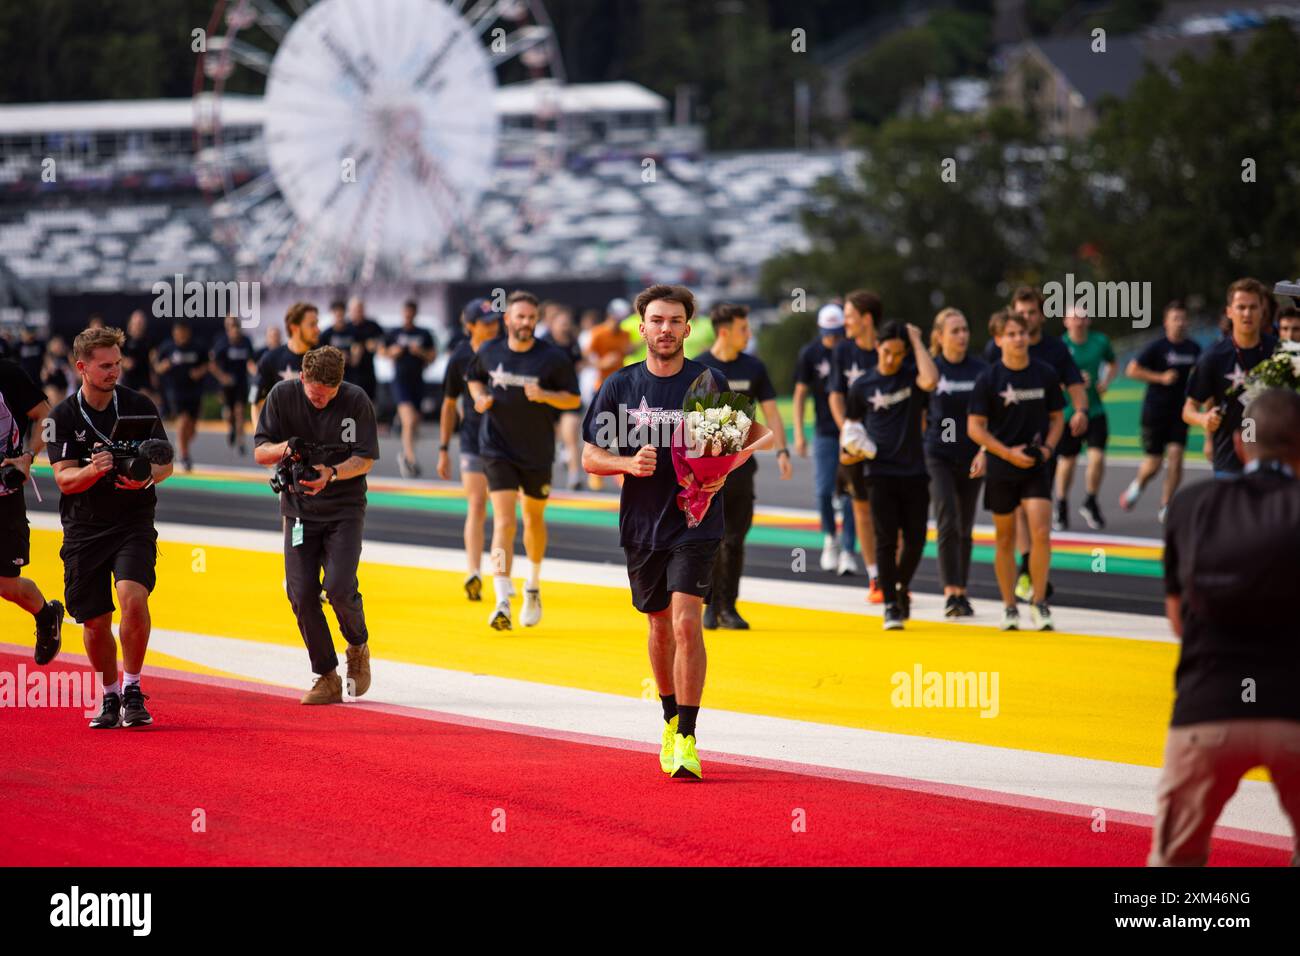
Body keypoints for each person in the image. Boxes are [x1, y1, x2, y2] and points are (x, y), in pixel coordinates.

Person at [581, 283, 734, 780]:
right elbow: (590, 458)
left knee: (688, 620)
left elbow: (728, 457)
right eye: (657, 321)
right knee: (658, 623)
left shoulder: (710, 382)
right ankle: (668, 718)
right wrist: (628, 463)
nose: (665, 329)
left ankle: (688, 737)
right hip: (642, 524)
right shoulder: (620, 386)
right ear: (641, 328)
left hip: (696, 520)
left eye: (675, 321)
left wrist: (712, 466)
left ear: (689, 328)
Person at [1153, 388, 1300, 866]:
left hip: (1207, 705)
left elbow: (1178, 620)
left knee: (1176, 865)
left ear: (1240, 443)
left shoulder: (1190, 504)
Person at [48, 326, 175, 728]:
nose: (113, 372)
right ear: (81, 367)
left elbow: (165, 462)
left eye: (117, 364)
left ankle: (133, 688)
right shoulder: (62, 417)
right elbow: (64, 480)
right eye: (105, 366)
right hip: (84, 527)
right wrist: (91, 469)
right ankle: (109, 695)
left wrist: (146, 478)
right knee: (95, 620)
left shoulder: (140, 406)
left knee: (134, 600)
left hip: (133, 521)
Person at [254, 345, 380, 704]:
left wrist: (333, 473)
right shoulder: (282, 395)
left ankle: (357, 646)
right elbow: (260, 452)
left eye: (329, 395)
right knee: (301, 593)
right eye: (314, 394)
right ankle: (326, 675)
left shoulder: (355, 400)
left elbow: (366, 458)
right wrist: (285, 449)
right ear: (303, 377)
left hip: (344, 509)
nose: (321, 401)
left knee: (339, 587)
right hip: (298, 512)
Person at [466, 290, 581, 630]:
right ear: (508, 320)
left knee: (532, 520)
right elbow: (473, 378)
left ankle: (533, 583)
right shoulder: (490, 351)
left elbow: (573, 398)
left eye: (532, 317)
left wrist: (546, 395)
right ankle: (502, 596)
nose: (526, 323)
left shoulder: (553, 358)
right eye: (520, 317)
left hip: (537, 452)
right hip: (497, 448)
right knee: (503, 522)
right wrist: (479, 397)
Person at [984, 287, 1086, 603]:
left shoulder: (1055, 350)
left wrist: (1080, 410)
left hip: (1041, 443)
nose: (1026, 320)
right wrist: (981, 448)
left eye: (1031, 313)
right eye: (1020, 314)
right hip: (1003, 443)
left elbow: (1075, 384)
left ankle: (1031, 569)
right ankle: (1026, 568)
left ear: (1041, 315)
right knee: (1015, 511)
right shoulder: (994, 349)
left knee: (1036, 511)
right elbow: (983, 400)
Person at [968, 311, 1065, 632]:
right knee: (1005, 538)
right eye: (1010, 334)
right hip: (1001, 466)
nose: (1018, 338)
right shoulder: (989, 379)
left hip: (1036, 464)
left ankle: (1039, 602)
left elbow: (1057, 417)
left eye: (1021, 333)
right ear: (998, 340)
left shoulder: (1045, 374)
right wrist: (1006, 453)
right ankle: (1009, 606)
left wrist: (1049, 449)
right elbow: (974, 428)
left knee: (1040, 531)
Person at [696, 302, 791, 629]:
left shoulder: (754, 367)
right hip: (707, 469)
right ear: (724, 332)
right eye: (743, 329)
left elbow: (771, 411)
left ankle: (729, 606)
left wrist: (782, 451)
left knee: (735, 539)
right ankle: (709, 605)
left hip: (742, 467)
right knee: (711, 539)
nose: (748, 335)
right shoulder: (700, 367)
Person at [841, 321, 937, 629]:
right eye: (886, 352)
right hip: (879, 473)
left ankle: (900, 585)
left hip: (914, 471)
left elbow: (931, 380)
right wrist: (853, 451)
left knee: (916, 539)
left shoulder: (911, 377)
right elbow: (850, 431)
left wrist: (915, 339)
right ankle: (891, 605)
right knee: (885, 539)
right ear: (878, 348)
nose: (891, 359)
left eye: (898, 353)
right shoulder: (863, 385)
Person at [0, 357, 64, 663]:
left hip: (4, 494)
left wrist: (28, 456)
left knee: (7, 585)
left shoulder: (7, 374)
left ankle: (45, 614)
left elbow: (48, 419)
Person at [924, 308, 986, 618]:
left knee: (965, 525)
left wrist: (985, 450)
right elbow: (920, 413)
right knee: (947, 518)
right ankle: (951, 592)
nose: (961, 335)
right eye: (954, 331)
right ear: (939, 336)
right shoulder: (932, 370)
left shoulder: (980, 369)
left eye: (964, 329)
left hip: (973, 455)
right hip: (938, 455)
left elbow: (993, 414)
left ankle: (963, 590)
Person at [438, 298, 501, 601]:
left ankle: (501, 574)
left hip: (507, 442)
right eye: (486, 323)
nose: (493, 327)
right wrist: (442, 448)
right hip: (473, 439)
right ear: (470, 326)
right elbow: (449, 405)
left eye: (495, 322)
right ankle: (474, 571)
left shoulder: (507, 350)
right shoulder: (460, 357)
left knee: (504, 515)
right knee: (476, 505)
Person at [1184, 278, 1277, 480]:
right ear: (1229, 312)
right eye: (1241, 307)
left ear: (1263, 311)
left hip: (1270, 457)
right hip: (1229, 460)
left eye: (1253, 307)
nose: (1247, 313)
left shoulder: (1278, 351)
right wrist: (1203, 419)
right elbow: (1188, 410)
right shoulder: (1213, 357)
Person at [1120, 300, 1201, 522]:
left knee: (1176, 457)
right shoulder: (1156, 347)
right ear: (1166, 322)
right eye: (1175, 319)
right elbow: (1131, 370)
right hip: (1155, 411)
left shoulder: (1194, 348)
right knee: (1154, 464)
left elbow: (1200, 375)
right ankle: (1138, 484)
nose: (1180, 323)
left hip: (1179, 412)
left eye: (1183, 318)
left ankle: (1166, 505)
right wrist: (1160, 377)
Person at [793, 303, 857, 575]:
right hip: (824, 430)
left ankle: (849, 550)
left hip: (854, 430)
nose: (832, 338)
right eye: (828, 333)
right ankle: (831, 537)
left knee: (852, 494)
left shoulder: (853, 351)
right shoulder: (810, 353)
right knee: (823, 490)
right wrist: (798, 432)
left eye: (837, 332)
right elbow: (799, 394)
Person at [828, 289, 882, 594]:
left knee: (889, 511)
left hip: (889, 442)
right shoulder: (842, 351)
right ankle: (875, 577)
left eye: (849, 316)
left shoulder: (888, 347)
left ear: (867, 318)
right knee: (861, 508)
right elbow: (835, 394)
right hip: (854, 444)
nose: (844, 322)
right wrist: (848, 432)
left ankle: (895, 576)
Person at [1054, 304, 1115, 530]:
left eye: (1083, 317)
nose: (1078, 322)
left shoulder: (1100, 342)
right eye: (1074, 318)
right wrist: (1072, 383)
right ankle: (1060, 504)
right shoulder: (1059, 347)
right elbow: (1049, 379)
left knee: (1097, 458)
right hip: (1069, 413)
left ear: (1088, 321)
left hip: (1095, 411)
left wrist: (1105, 382)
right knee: (1067, 461)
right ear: (1065, 321)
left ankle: (1090, 501)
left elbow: (1113, 362)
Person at [583, 298, 633, 490]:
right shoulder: (598, 333)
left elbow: (626, 352)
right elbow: (585, 358)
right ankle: (596, 472)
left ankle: (621, 472)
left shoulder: (626, 334)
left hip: (622, 388)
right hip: (601, 387)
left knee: (624, 431)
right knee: (600, 431)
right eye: (616, 317)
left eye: (621, 318)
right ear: (609, 315)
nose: (618, 322)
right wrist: (602, 363)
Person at [385, 299, 436, 478]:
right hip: (400, 381)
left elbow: (432, 356)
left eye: (411, 313)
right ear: (402, 313)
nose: (408, 316)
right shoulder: (394, 333)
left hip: (418, 381)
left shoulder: (424, 333)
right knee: (409, 420)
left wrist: (419, 352)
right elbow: (383, 352)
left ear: (415, 313)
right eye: (405, 313)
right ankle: (410, 458)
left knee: (414, 422)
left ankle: (406, 452)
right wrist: (394, 352)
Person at [252, 302, 321, 429]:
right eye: (312, 325)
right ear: (294, 328)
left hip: (316, 439)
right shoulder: (270, 359)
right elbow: (255, 401)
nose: (318, 329)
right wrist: (260, 439)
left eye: (317, 324)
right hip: (281, 441)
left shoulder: (323, 359)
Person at [153, 319, 207, 471]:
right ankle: (184, 456)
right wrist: (164, 366)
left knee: (192, 429)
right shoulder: (167, 347)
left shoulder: (197, 347)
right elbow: (157, 367)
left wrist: (199, 372)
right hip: (176, 391)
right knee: (182, 421)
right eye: (178, 333)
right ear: (174, 333)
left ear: (188, 333)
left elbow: (207, 363)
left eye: (183, 333)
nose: (181, 336)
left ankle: (182, 444)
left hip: (194, 391)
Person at [546, 304, 587, 491]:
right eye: (561, 323)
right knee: (556, 434)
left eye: (567, 324)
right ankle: (560, 448)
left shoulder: (573, 343)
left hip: (570, 395)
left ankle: (574, 476)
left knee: (571, 435)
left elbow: (580, 363)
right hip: (548, 397)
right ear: (552, 325)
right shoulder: (544, 344)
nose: (564, 327)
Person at [210, 314, 253, 455]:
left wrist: (254, 370)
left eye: (235, 326)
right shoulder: (222, 343)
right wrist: (223, 377)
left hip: (241, 381)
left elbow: (250, 360)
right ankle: (231, 428)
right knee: (229, 413)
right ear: (227, 328)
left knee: (240, 412)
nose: (234, 329)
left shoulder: (246, 341)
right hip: (226, 383)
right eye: (230, 326)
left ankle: (241, 441)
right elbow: (212, 364)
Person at [343, 296, 385, 402]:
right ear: (350, 311)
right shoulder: (345, 327)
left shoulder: (372, 326)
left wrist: (375, 345)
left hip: (368, 373)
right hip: (348, 375)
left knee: (369, 404)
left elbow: (383, 343)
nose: (358, 312)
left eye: (360, 309)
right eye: (355, 310)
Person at [120, 310, 157, 403]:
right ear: (131, 324)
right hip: (128, 381)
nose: (139, 326)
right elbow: (116, 356)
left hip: (144, 380)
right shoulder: (123, 340)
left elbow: (153, 359)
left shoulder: (149, 340)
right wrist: (124, 361)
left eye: (141, 323)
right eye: (137, 323)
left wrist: (154, 372)